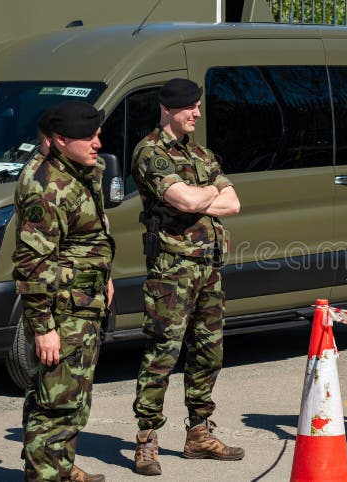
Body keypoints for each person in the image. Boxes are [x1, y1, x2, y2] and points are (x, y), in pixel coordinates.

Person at [131, 78, 242, 476]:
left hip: (208, 267)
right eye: (189, 108)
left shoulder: (200, 152)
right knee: (162, 354)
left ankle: (199, 433)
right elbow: (185, 199)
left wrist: (202, 194)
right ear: (168, 109)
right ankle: (147, 440)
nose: (197, 113)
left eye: (198, 106)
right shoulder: (150, 152)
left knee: (208, 352)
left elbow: (234, 203)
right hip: (171, 270)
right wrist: (207, 192)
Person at [13, 100, 115, 481]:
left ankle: (59, 467)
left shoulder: (79, 170)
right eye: (88, 136)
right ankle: (47, 474)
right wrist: (44, 328)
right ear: (58, 139)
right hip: (62, 313)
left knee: (67, 397)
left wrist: (103, 276)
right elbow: (31, 264)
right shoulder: (45, 189)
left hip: (82, 303)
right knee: (57, 404)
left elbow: (87, 236)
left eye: (98, 133)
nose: (97, 143)